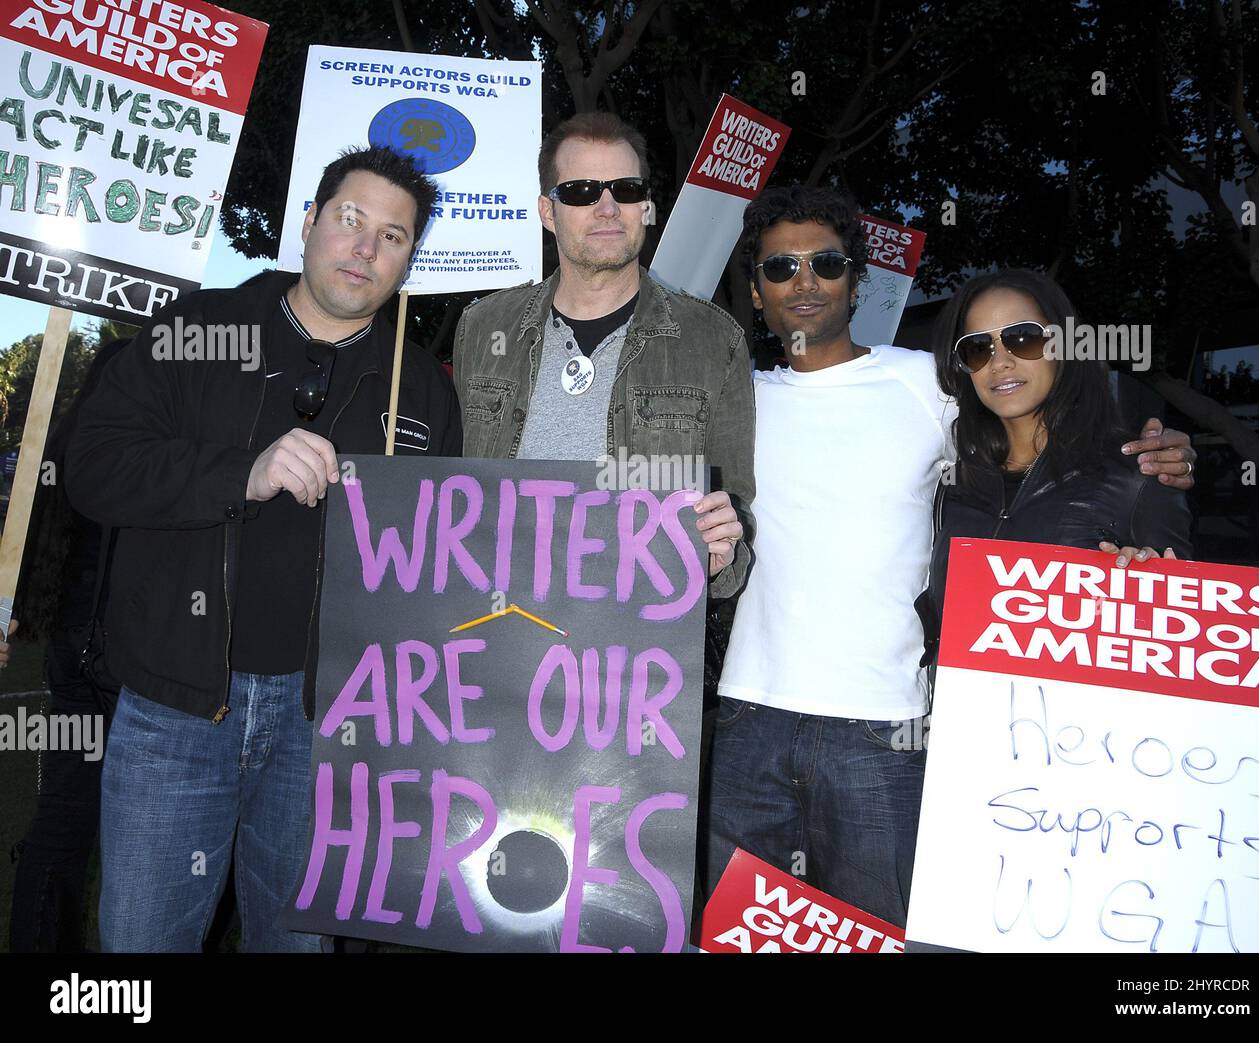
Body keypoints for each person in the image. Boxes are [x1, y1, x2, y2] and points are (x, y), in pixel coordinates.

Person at [702, 185, 1196, 929]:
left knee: (884, 936)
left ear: (856, 281)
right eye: (781, 268)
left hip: (887, 729)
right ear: (756, 290)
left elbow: (1037, 433)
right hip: (747, 721)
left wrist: (1152, 462)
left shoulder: (929, 384)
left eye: (826, 263)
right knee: (736, 937)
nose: (804, 282)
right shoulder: (730, 399)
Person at [64, 146, 461, 953]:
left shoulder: (419, 386)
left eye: (393, 236)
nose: (365, 248)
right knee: (141, 948)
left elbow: (444, 554)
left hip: (328, 728)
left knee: (295, 944)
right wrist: (241, 472)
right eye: (350, 220)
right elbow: (92, 466)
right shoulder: (200, 328)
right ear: (310, 222)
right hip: (176, 711)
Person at [453, 112, 753, 595]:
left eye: (627, 190)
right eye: (580, 192)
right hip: (495, 635)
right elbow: (448, 494)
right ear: (548, 212)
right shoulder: (484, 327)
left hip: (637, 650)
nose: (608, 207)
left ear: (646, 207)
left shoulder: (716, 341)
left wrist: (722, 550)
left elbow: (735, 511)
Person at [921, 268, 1193, 631]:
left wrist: (1146, 587)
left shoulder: (1138, 476)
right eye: (977, 348)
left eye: (1023, 338)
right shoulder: (950, 482)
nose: (1000, 362)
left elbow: (1181, 631)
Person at [8, 337, 126, 952]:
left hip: (71, 652)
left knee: (61, 822)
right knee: (152, 836)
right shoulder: (126, 449)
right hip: (119, 659)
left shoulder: (69, 445)